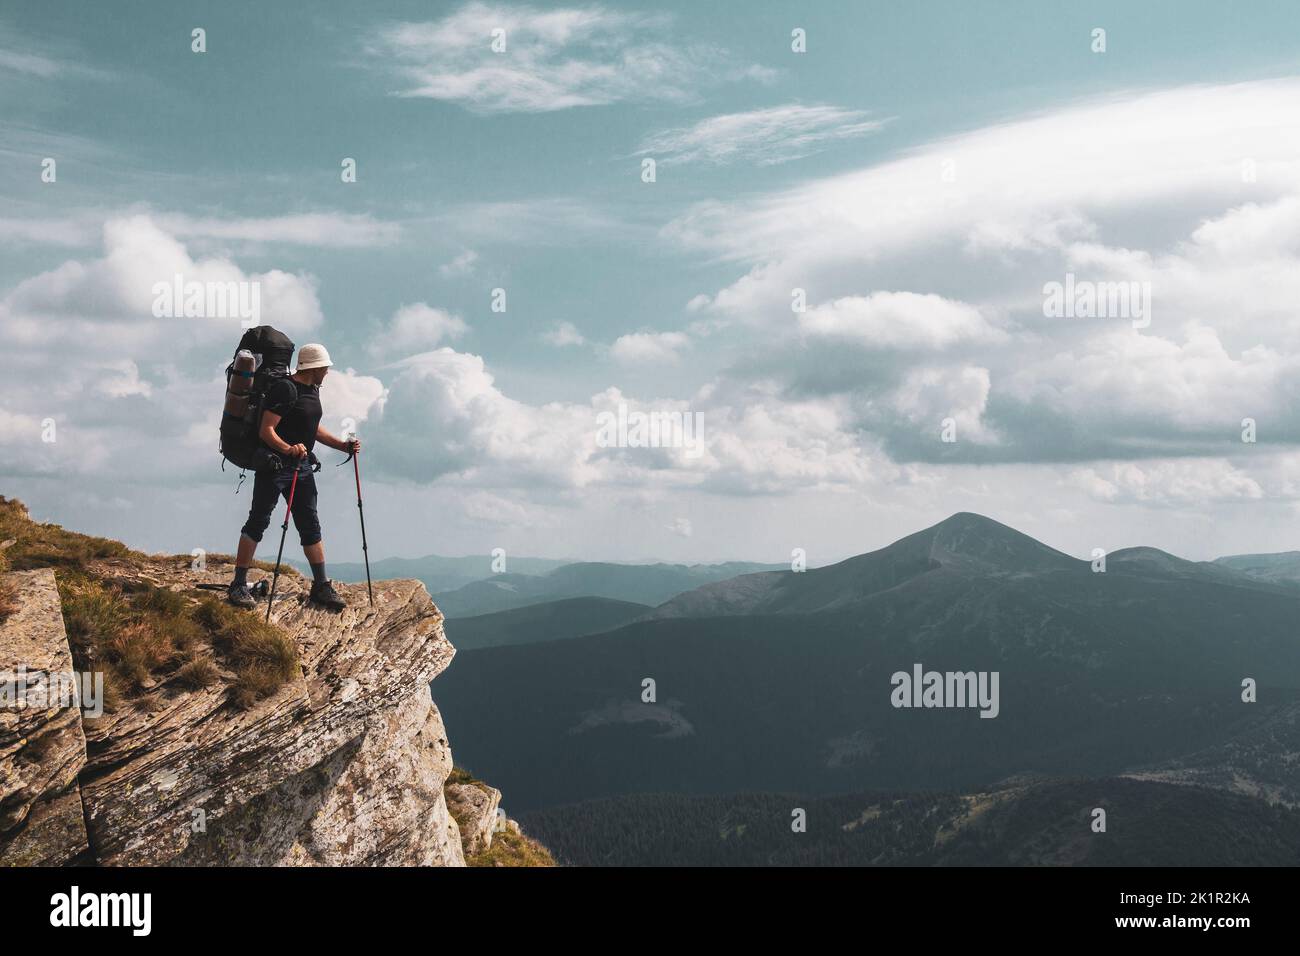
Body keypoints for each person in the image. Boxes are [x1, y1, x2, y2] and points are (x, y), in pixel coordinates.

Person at [226, 343, 360, 610]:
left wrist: (342, 446)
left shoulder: (311, 391)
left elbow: (312, 428)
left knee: (310, 524)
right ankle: (238, 584)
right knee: (258, 522)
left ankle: (321, 585)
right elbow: (266, 430)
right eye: (326, 367)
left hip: (301, 468)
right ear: (316, 367)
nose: (328, 372)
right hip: (274, 467)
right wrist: (289, 448)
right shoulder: (285, 389)